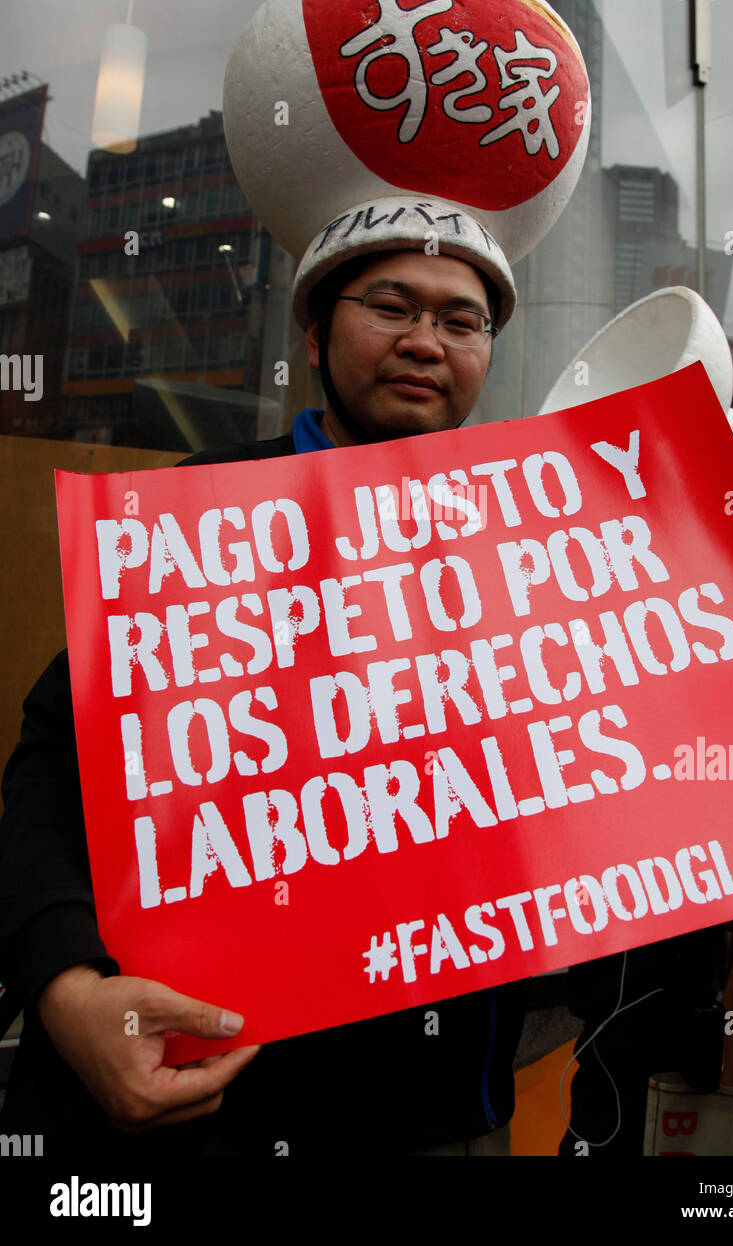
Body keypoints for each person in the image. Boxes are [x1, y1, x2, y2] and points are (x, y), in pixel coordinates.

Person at [0, 246, 529, 1157]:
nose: (425, 342)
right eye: (392, 307)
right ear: (316, 335)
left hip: (450, 1111)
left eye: (460, 321)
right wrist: (68, 987)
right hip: (217, 1110)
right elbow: (57, 763)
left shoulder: (529, 543)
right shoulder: (201, 515)